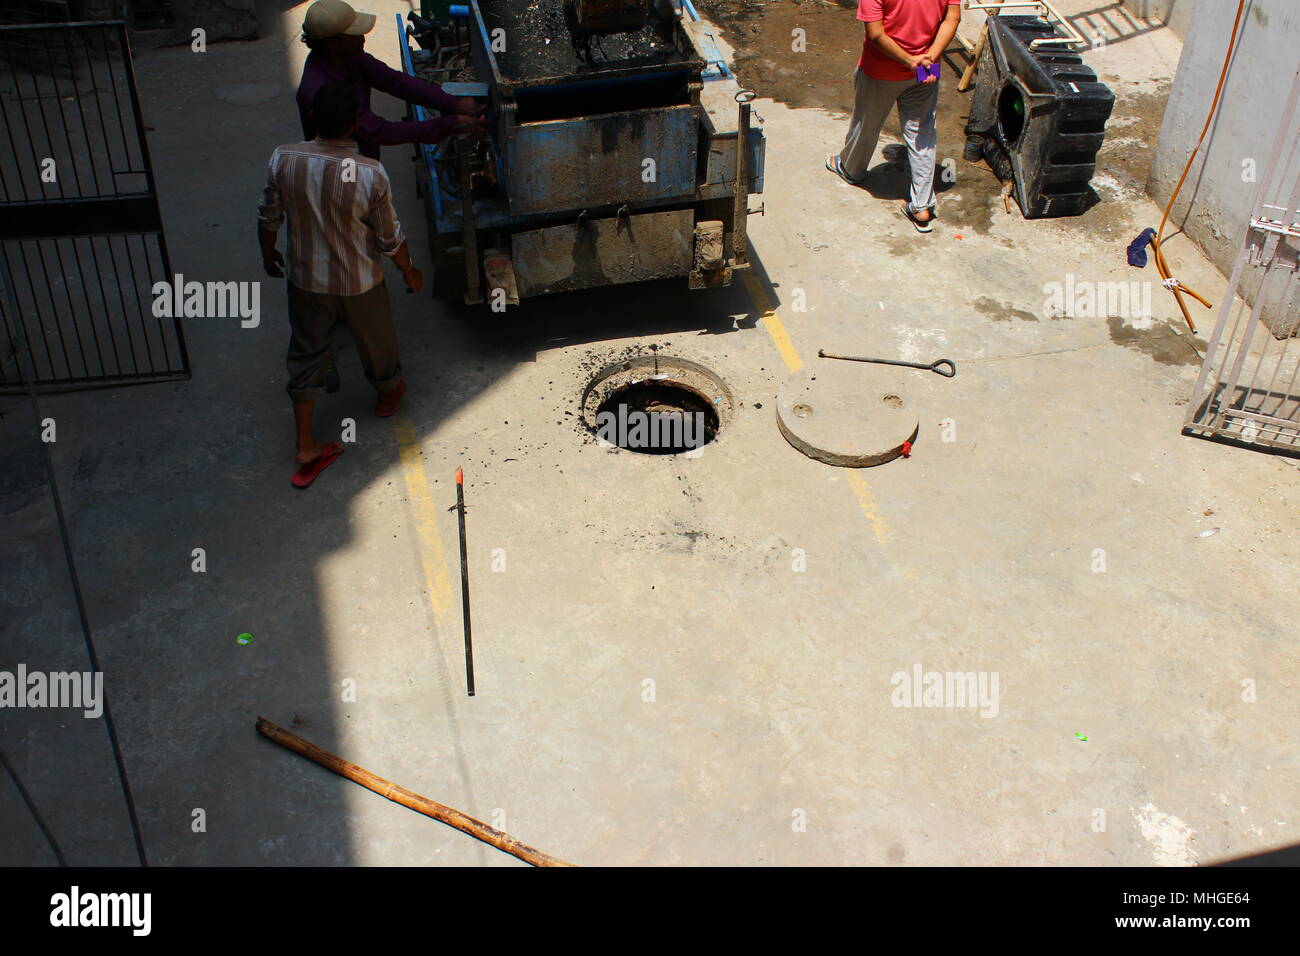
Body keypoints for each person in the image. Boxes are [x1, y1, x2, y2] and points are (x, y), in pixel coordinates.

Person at [257, 82, 423, 488]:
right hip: (359, 280)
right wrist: (409, 271)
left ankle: (305, 443)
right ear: (355, 124)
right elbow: (389, 239)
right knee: (377, 340)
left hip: (306, 278)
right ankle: (385, 397)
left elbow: (268, 215)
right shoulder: (370, 173)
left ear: (314, 119)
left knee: (308, 350)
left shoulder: (284, 159)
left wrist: (269, 254)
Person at [825, 0, 961, 233]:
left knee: (866, 123)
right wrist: (928, 58)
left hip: (882, 71)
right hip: (927, 71)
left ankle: (851, 169)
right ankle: (921, 206)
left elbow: (876, 34)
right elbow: (952, 18)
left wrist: (911, 61)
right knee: (923, 135)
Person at [296, 0, 485, 161]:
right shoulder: (322, 93)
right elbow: (380, 131)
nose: (363, 38)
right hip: (342, 170)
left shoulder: (349, 57)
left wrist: (454, 103)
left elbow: (396, 82)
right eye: (355, 35)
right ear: (333, 42)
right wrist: (451, 124)